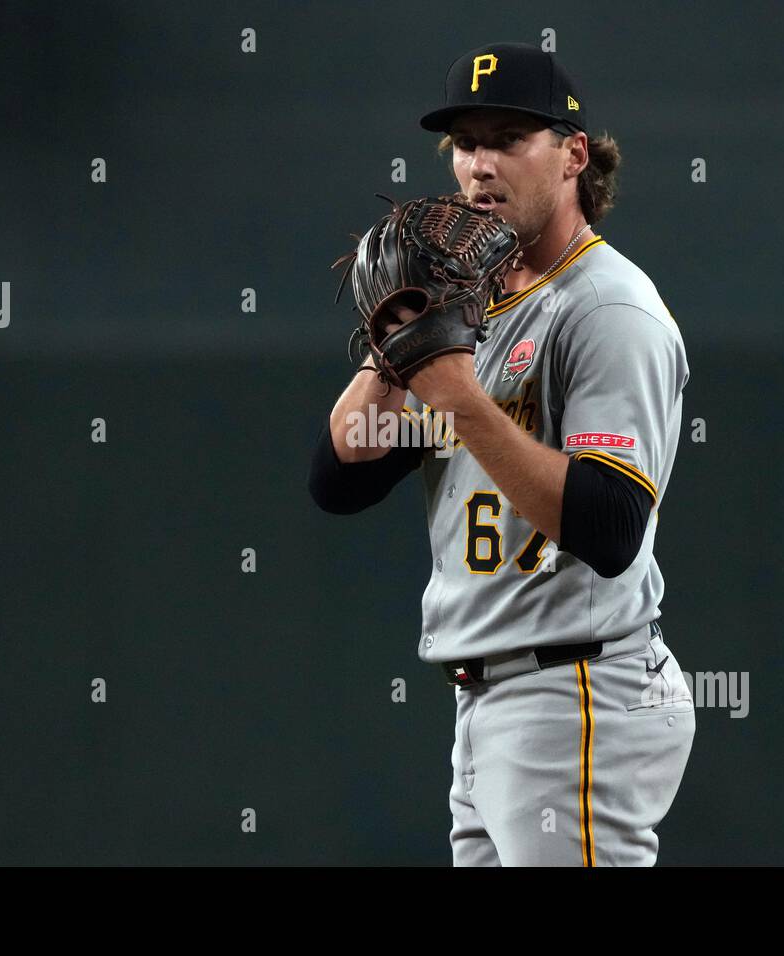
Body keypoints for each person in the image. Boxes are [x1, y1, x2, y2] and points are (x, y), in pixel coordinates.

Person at [309, 42, 695, 866]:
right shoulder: (471, 305)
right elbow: (340, 479)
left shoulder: (609, 308)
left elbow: (610, 523)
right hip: (487, 699)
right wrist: (391, 353)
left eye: (508, 137)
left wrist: (458, 396)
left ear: (573, 156)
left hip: (579, 690)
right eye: (464, 142)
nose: (479, 164)